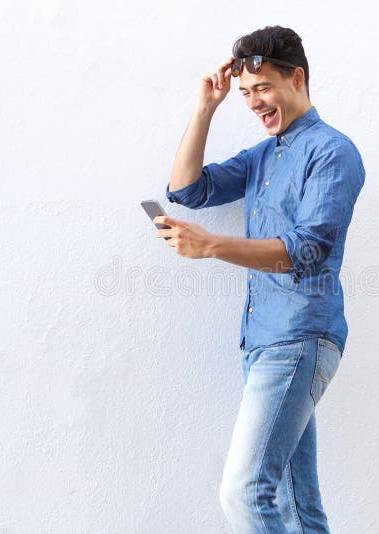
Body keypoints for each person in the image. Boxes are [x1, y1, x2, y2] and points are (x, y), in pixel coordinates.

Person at [155, 25, 365, 533]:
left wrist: (210, 246)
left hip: (298, 338)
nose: (253, 103)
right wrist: (207, 106)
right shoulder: (262, 157)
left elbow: (307, 251)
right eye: (246, 93)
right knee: (298, 506)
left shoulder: (332, 152)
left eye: (262, 88)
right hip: (262, 341)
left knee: (244, 493)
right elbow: (187, 190)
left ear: (297, 78)